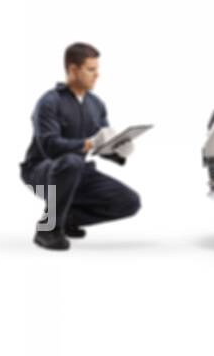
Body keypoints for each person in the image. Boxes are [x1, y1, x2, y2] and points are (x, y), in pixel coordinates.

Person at [20, 43, 141, 250]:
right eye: (91, 69)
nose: (97, 75)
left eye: (97, 69)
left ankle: (67, 219)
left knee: (129, 201)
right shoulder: (49, 102)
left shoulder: (96, 104)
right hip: (41, 172)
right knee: (71, 161)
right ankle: (48, 228)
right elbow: (50, 146)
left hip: (76, 171)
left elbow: (101, 144)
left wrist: (117, 151)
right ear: (73, 70)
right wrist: (88, 143)